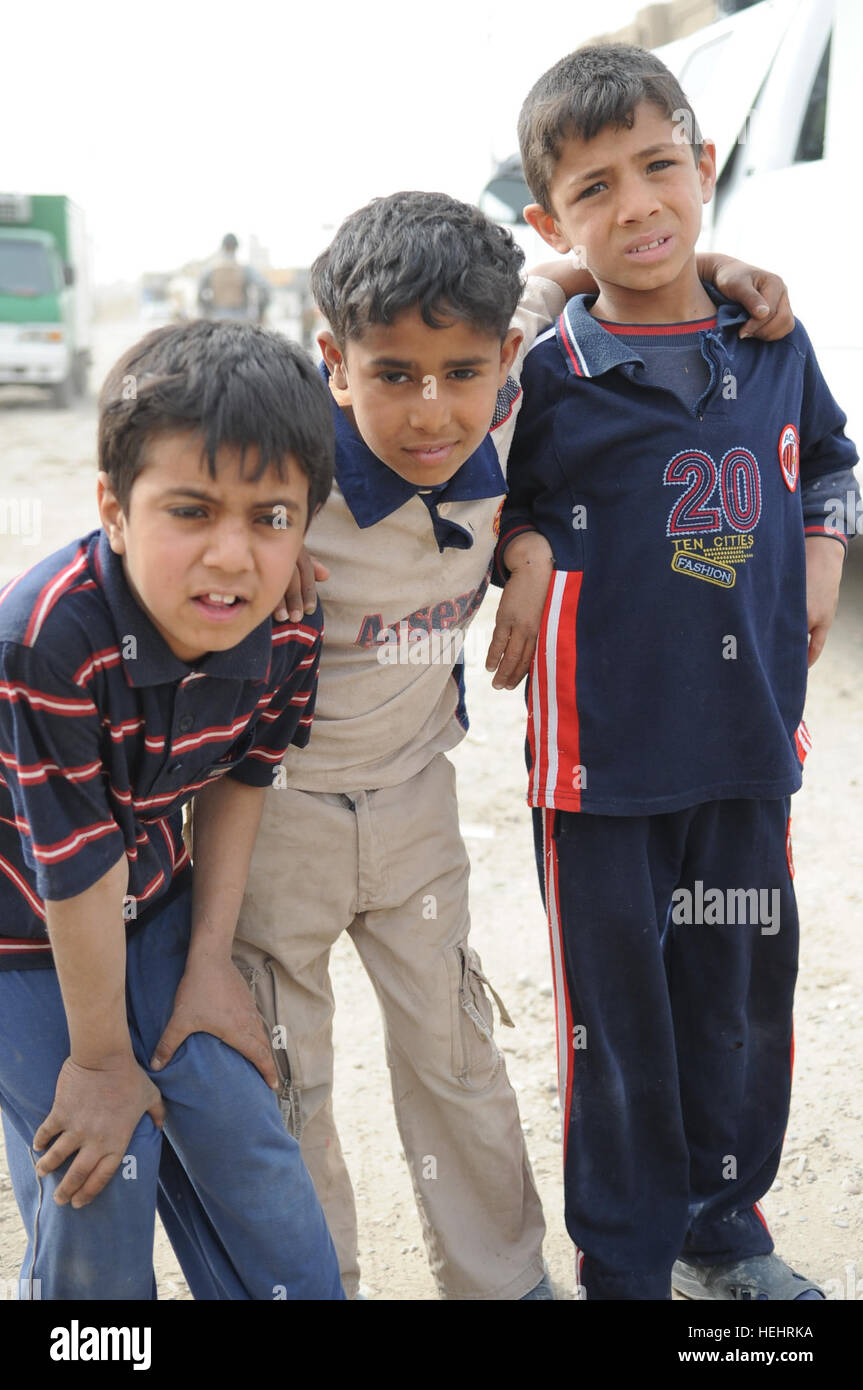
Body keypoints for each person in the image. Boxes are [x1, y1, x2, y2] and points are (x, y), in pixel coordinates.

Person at [231, 188, 796, 1300]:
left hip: (413, 803)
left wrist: (725, 271)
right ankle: (302, 1282)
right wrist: (253, 529)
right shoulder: (273, 461)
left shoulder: (505, 392)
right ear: (334, 362)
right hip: (273, 817)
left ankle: (503, 1285)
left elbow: (583, 272)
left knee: (455, 1055)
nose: (431, 410)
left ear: (503, 358)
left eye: (461, 373)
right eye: (392, 376)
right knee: (282, 1072)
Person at [498, 43, 860, 1301]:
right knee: (618, 1035)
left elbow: (824, 458)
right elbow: (475, 486)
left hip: (744, 752)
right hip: (601, 775)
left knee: (737, 1006)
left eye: (659, 165)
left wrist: (820, 555)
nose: (637, 203)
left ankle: (723, 1227)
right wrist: (528, 536)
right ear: (549, 219)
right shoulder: (545, 380)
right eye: (593, 188)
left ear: (705, 168)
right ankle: (624, 1261)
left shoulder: (768, 337)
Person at [0, 319, 343, 1300]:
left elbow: (243, 775)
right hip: (23, 931)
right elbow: (73, 867)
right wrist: (103, 1063)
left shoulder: (283, 621)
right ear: (113, 506)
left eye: (270, 517)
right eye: (190, 511)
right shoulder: (44, 639)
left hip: (152, 906)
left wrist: (206, 966)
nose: (231, 558)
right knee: (98, 1178)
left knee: (252, 1160)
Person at [198, 233, 271, 324]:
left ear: (223, 247)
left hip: (217, 321)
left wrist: (207, 311)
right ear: (237, 248)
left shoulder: (210, 270)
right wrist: (260, 313)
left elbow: (200, 294)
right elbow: (264, 287)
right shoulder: (245, 269)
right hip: (241, 321)